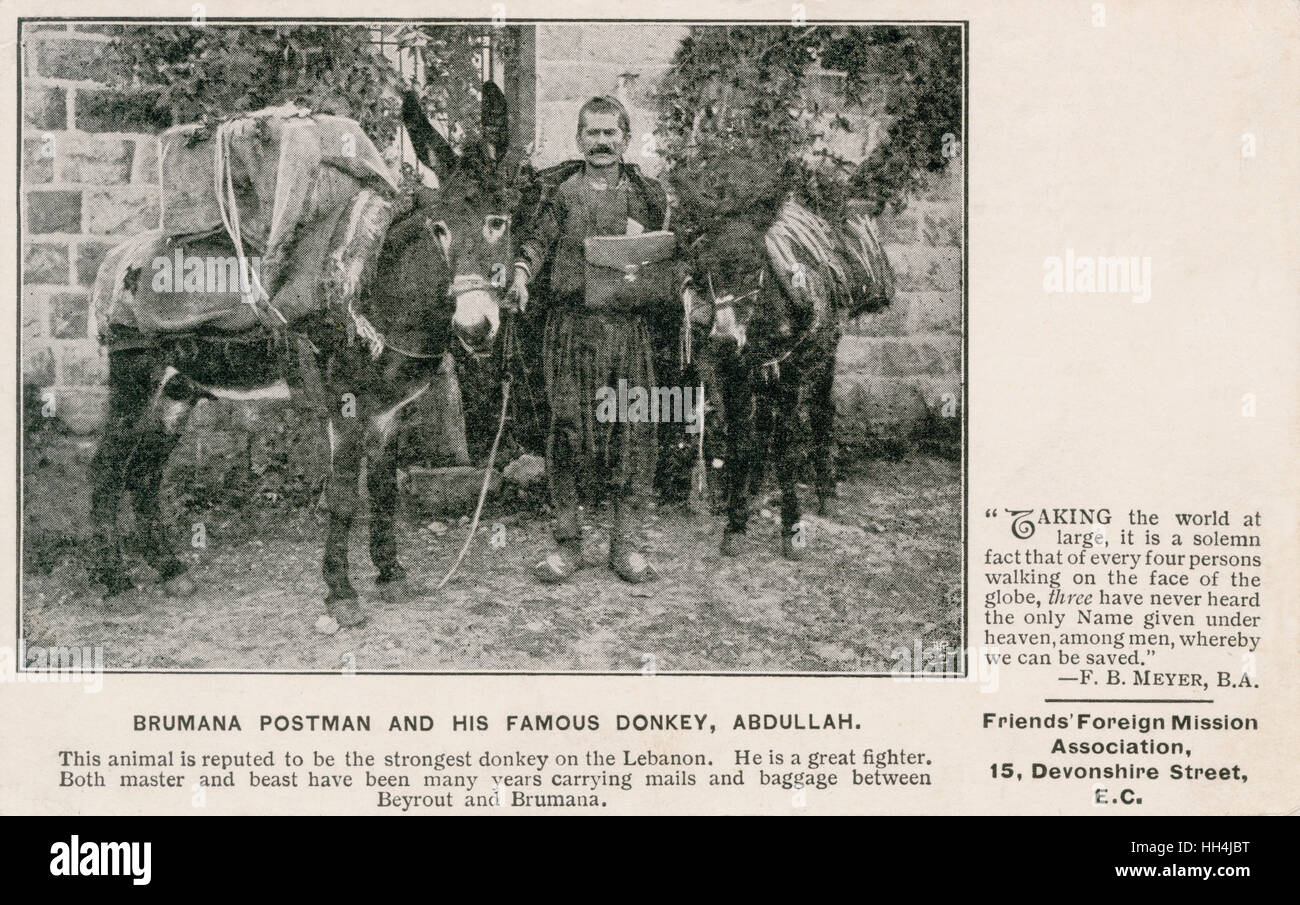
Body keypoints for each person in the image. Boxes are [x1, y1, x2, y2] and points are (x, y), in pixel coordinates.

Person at [509, 95, 692, 584]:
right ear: (579, 140)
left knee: (633, 432)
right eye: (593, 133)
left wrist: (681, 283)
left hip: (630, 334)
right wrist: (523, 274)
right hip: (572, 332)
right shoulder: (562, 195)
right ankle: (567, 545)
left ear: (626, 140)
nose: (602, 142)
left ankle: (625, 545)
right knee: (569, 433)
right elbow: (535, 245)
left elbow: (670, 254)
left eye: (612, 133)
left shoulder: (646, 196)